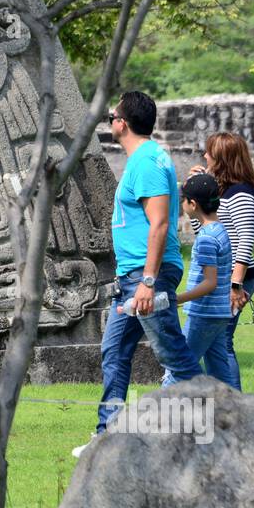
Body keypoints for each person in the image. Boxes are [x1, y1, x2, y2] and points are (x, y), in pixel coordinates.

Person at [75, 91, 203, 455]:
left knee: (172, 351)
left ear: (122, 123)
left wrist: (148, 281)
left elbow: (160, 223)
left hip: (147, 277)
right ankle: (107, 438)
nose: (110, 121)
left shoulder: (147, 161)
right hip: (132, 277)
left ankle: (211, 430)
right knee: (114, 350)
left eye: (112, 115)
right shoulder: (144, 160)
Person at [188, 132, 254, 387]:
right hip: (218, 277)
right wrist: (195, 195)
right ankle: (229, 406)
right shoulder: (220, 191)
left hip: (232, 279)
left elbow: (246, 240)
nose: (205, 156)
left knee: (221, 343)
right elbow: (202, 231)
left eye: (209, 152)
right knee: (217, 344)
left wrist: (235, 285)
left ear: (221, 158)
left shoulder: (240, 192)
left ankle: (233, 405)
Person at [173, 173, 237, 388]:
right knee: (221, 375)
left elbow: (210, 282)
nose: (182, 203)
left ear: (193, 204)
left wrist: (179, 298)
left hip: (203, 314)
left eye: (184, 199)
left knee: (179, 368)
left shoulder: (207, 238)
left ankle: (158, 417)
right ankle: (235, 419)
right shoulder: (220, 231)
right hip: (219, 314)